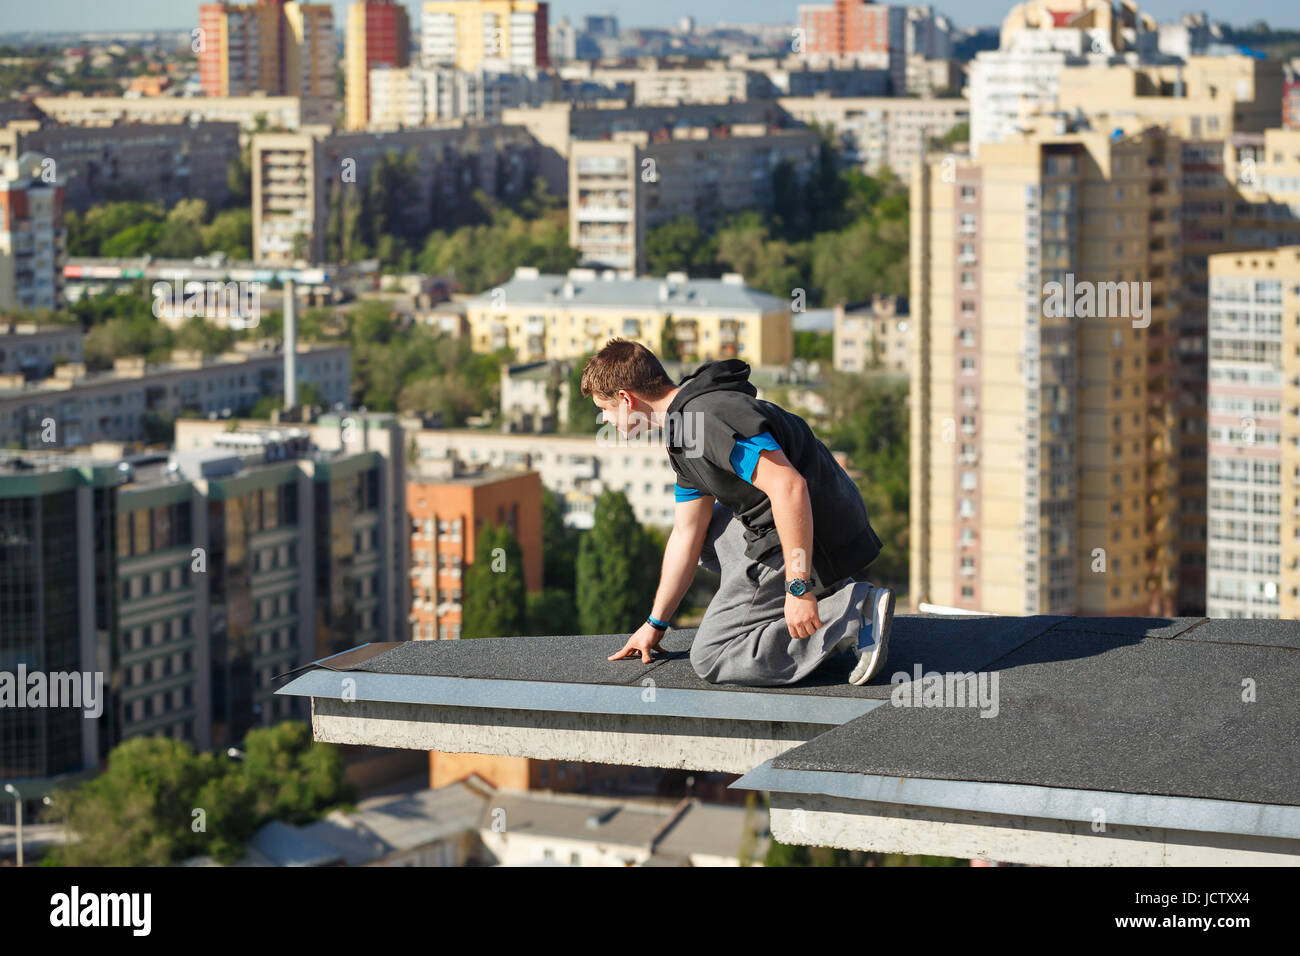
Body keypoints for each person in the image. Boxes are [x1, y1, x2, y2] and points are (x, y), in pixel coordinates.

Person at [580, 339, 894, 687]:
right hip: (802, 516)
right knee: (703, 534)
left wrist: (799, 587)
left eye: (604, 410)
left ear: (626, 398)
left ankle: (851, 613)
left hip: (817, 525)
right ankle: (816, 591)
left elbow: (790, 487)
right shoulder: (684, 430)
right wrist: (656, 623)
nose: (605, 419)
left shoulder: (706, 419)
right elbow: (686, 533)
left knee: (712, 655)